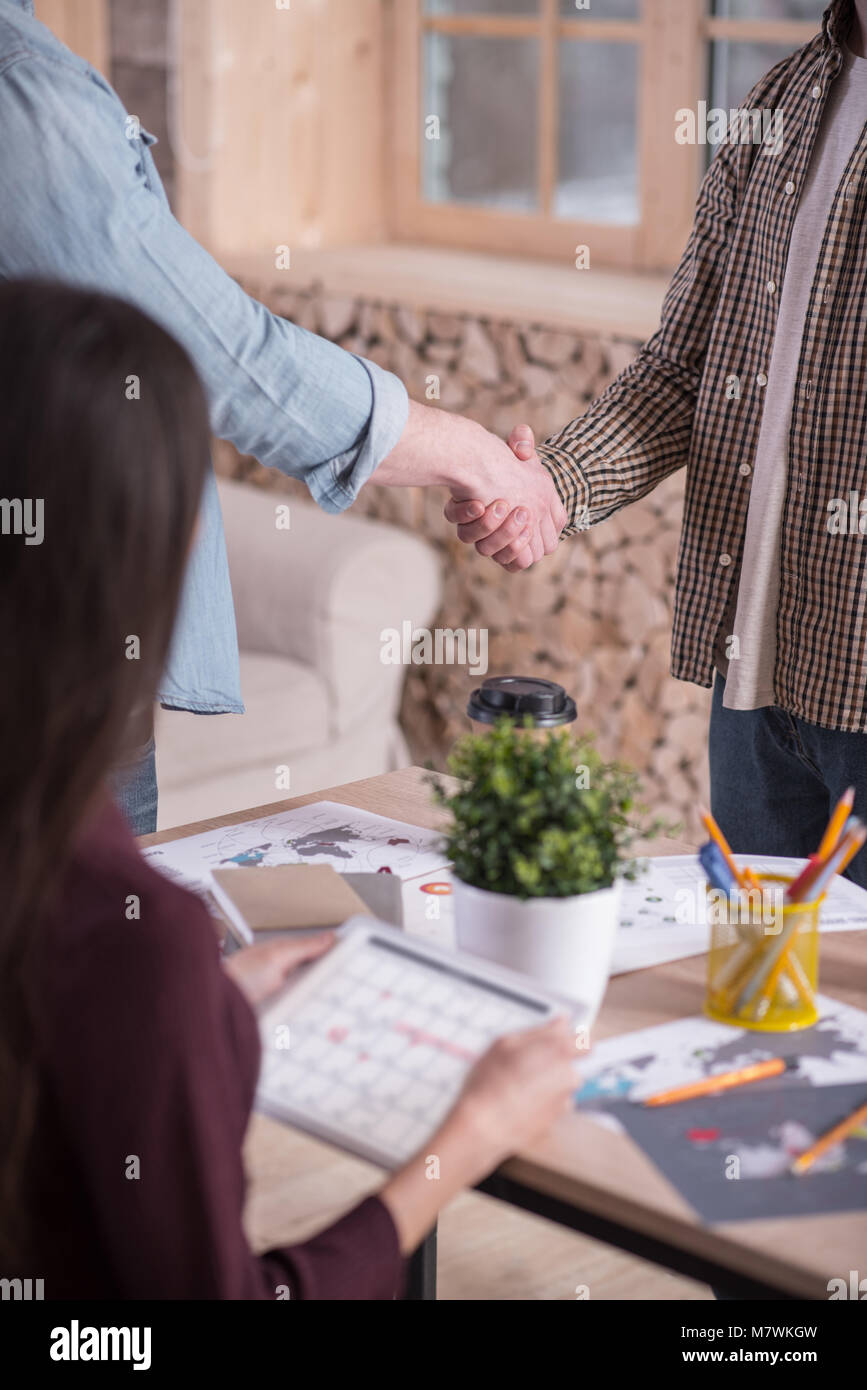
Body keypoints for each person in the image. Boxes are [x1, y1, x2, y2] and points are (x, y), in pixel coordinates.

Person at [0, 281, 577, 1299]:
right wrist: (462, 1144)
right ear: (154, 549)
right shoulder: (128, 931)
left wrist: (202, 1012)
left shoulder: (95, 920)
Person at [0, 0, 565, 834]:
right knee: (88, 950)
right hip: (46, 647)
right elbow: (211, 354)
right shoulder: (20, 88)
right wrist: (472, 455)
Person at [451, 0, 867, 888]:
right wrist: (552, 487)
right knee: (747, 999)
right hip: (757, 683)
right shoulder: (783, 98)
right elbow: (681, 366)